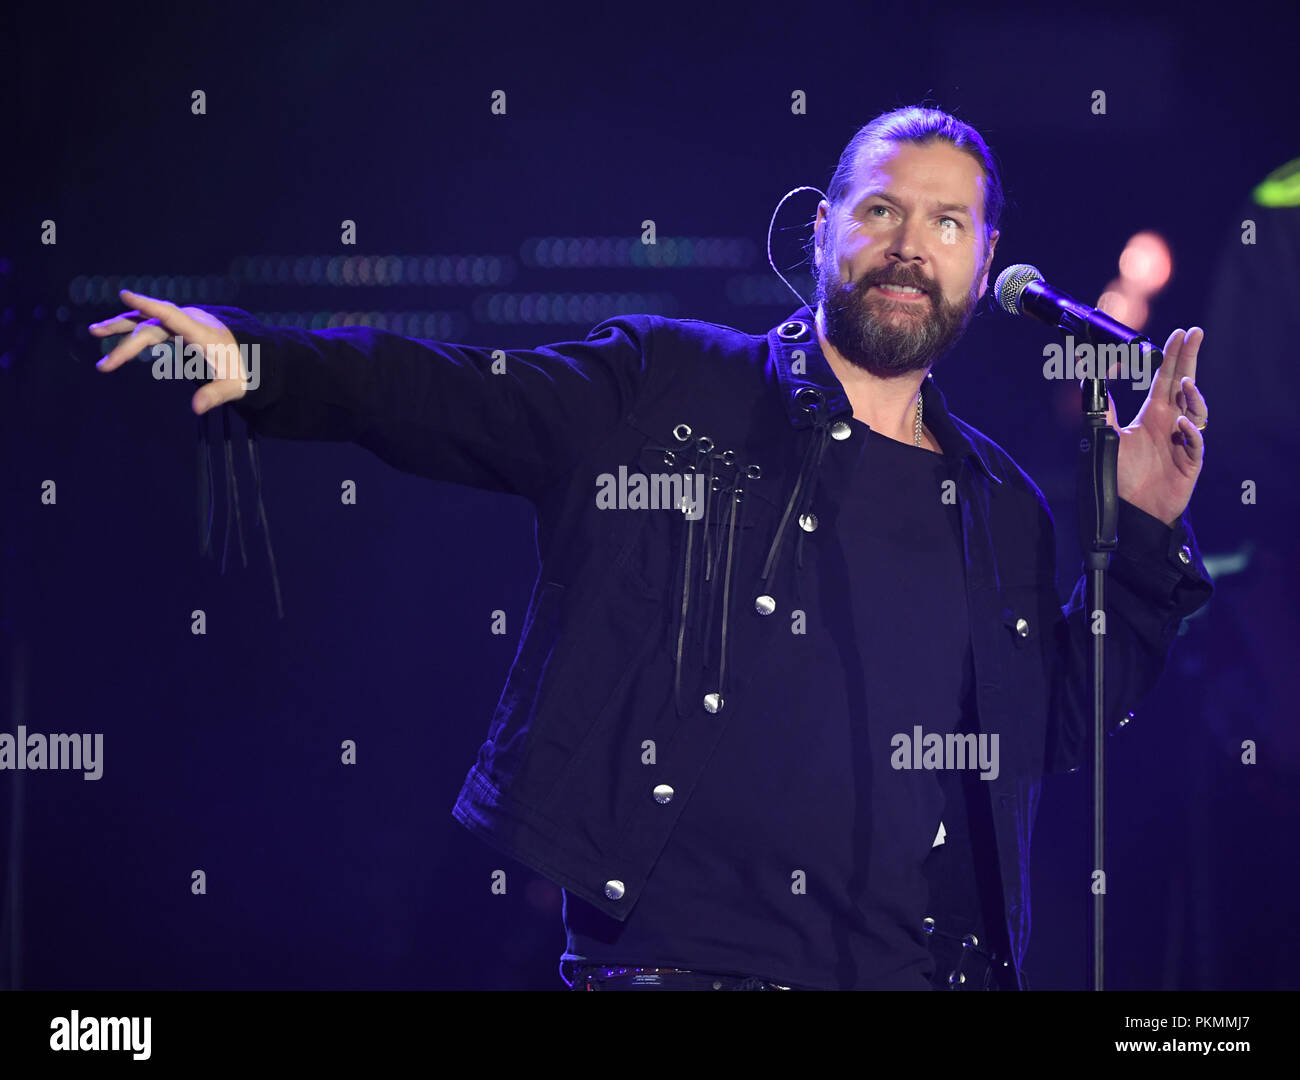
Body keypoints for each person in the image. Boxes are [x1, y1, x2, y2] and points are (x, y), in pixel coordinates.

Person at [89, 106, 1213, 991]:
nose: (908, 248)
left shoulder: (999, 504)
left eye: (946, 225)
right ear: (821, 227)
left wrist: (1148, 536)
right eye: (879, 211)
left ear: (985, 261)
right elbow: (457, 396)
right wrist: (262, 363)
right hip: (679, 969)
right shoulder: (676, 385)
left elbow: (1053, 723)